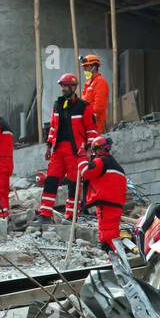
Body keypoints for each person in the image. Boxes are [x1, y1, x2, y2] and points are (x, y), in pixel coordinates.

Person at [39, 73, 98, 229]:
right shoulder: (57, 105)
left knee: (74, 184)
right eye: (62, 86)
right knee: (51, 181)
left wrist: (90, 151)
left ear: (73, 87)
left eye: (65, 86)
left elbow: (92, 130)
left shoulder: (83, 106)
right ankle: (44, 215)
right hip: (58, 150)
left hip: (76, 152)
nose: (63, 89)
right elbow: (53, 127)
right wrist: (48, 145)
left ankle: (71, 216)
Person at [79, 136, 127, 251]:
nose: (94, 154)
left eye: (94, 151)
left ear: (98, 149)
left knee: (107, 235)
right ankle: (116, 257)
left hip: (106, 205)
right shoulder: (117, 166)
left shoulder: (101, 161)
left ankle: (112, 259)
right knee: (113, 233)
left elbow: (86, 172)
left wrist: (81, 156)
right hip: (116, 205)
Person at [81, 54, 110, 133]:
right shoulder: (88, 83)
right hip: (88, 124)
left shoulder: (101, 82)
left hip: (96, 124)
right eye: (84, 67)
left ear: (94, 67)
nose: (84, 69)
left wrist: (85, 114)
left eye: (86, 66)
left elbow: (99, 107)